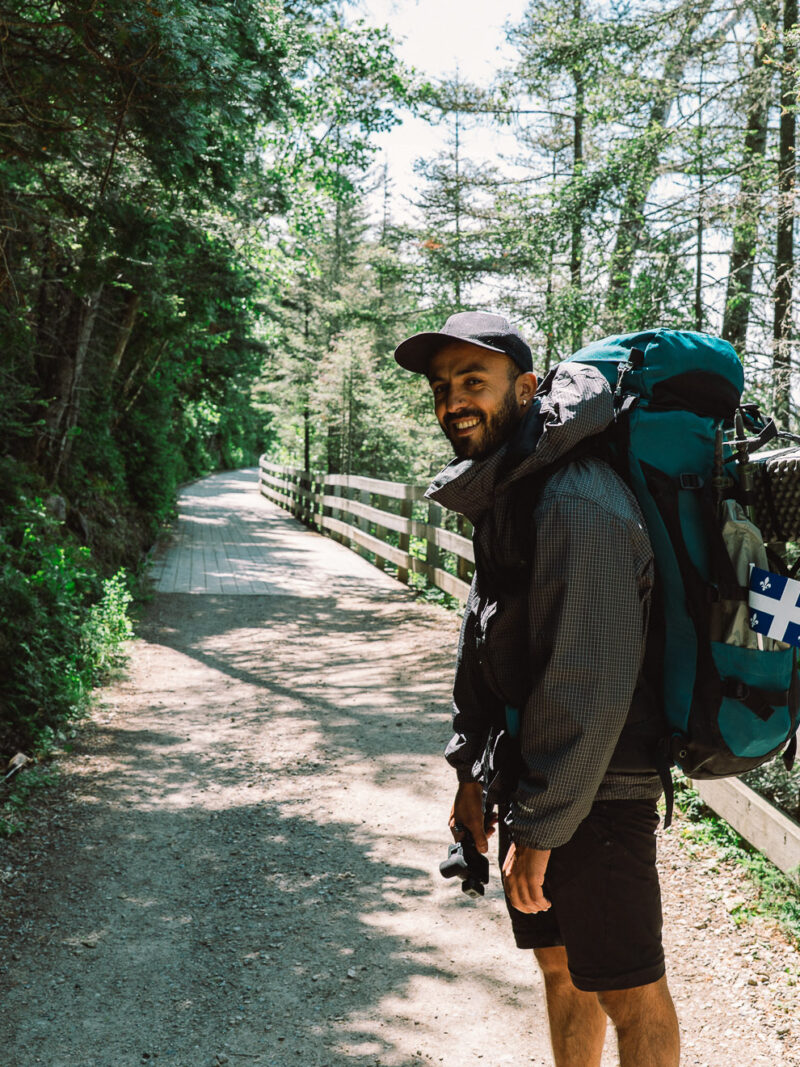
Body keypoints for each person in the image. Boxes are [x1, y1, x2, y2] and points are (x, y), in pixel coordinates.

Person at [394, 311, 680, 1067]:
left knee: (628, 992)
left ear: (525, 389)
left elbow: (590, 685)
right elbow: (483, 637)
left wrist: (544, 830)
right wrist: (470, 772)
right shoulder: (510, 488)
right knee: (561, 969)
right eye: (442, 386)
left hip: (600, 788)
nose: (454, 401)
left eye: (473, 381)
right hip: (539, 778)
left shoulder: (576, 498)